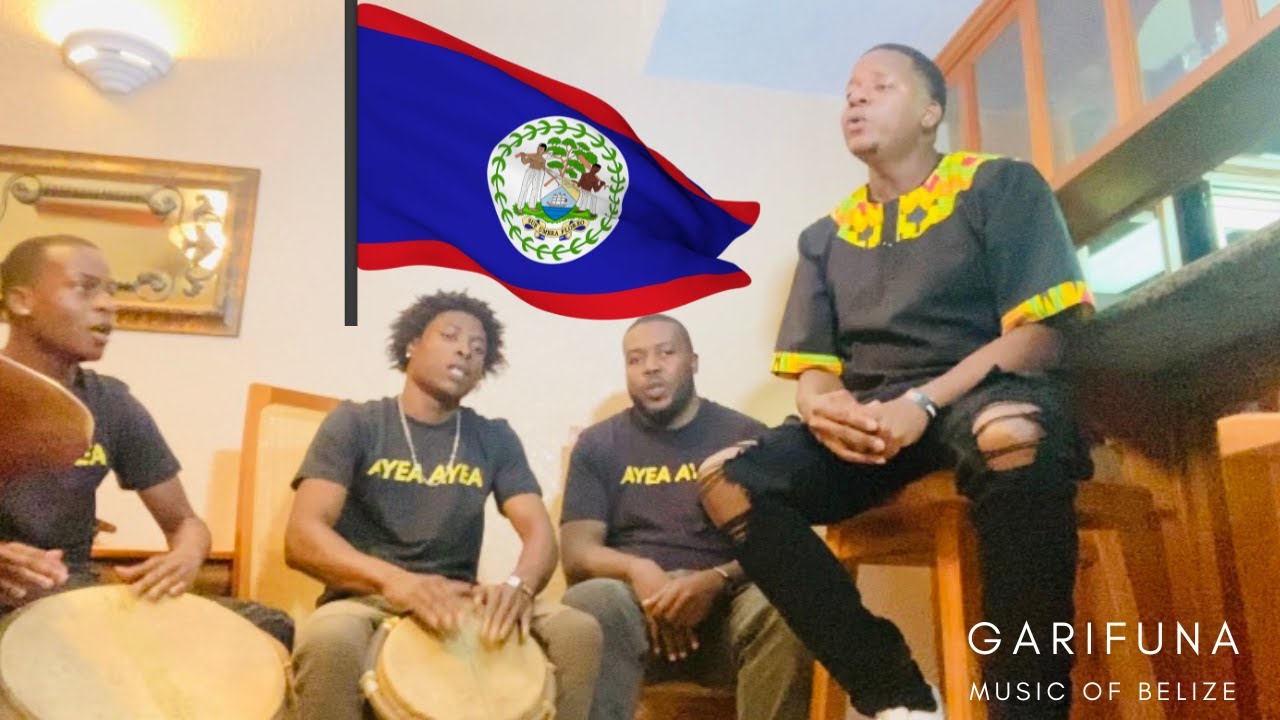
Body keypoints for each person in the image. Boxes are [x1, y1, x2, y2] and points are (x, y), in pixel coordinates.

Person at [696, 44, 1095, 720]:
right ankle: (896, 696)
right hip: (876, 419)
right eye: (850, 89)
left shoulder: (1000, 185)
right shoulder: (825, 237)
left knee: (1011, 436)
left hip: (982, 392)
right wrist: (825, 412)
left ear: (931, 112)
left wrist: (924, 401)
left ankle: (1026, 705)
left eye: (879, 86)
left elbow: (1041, 337)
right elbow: (815, 370)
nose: (855, 97)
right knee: (726, 479)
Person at [286, 290, 602, 720]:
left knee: (578, 630)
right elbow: (303, 535)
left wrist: (519, 586)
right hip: (365, 598)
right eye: (450, 336)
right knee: (329, 639)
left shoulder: (493, 437)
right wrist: (395, 582)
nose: (465, 351)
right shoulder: (356, 423)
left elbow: (539, 532)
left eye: (478, 348)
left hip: (459, 599)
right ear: (412, 344)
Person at [0, 234, 292, 647]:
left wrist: (185, 557)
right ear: (21, 301)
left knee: (267, 626)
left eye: (110, 291)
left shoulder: (111, 402)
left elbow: (185, 523)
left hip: (72, 597)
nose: (108, 304)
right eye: (85, 288)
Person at [560, 314, 812, 720]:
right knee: (591, 600)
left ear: (693, 362)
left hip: (727, 618)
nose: (651, 367)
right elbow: (576, 552)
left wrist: (714, 581)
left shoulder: (746, 437)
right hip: (633, 624)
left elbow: (784, 544)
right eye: (636, 359)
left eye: (665, 353)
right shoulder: (599, 444)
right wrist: (641, 572)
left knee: (789, 604)